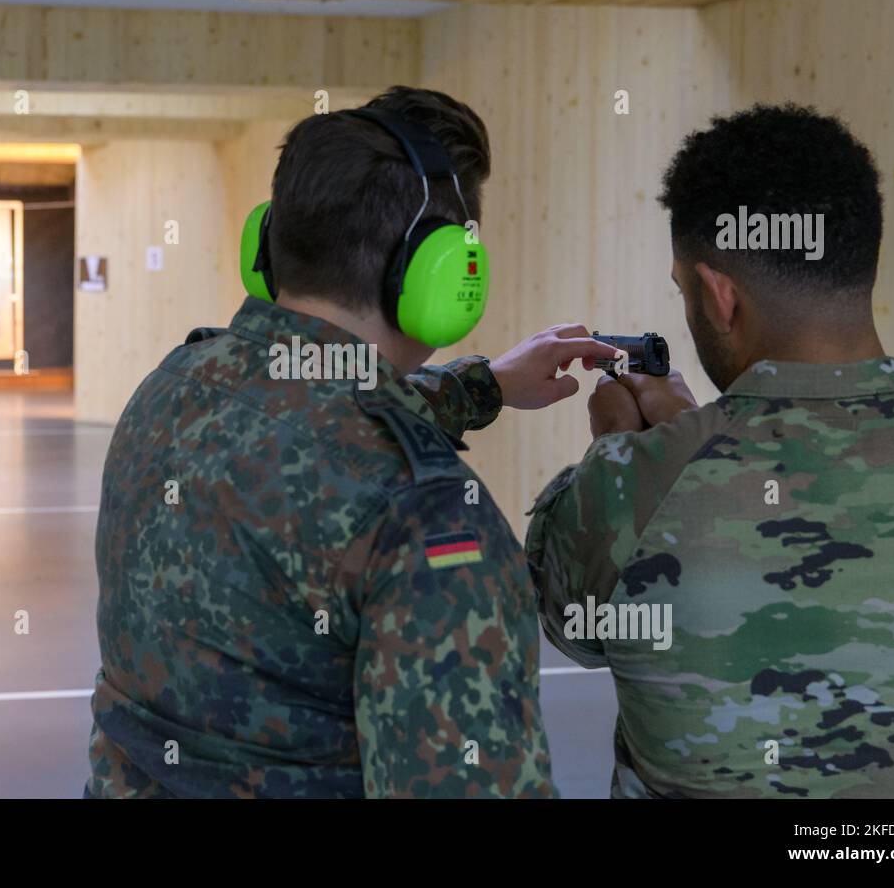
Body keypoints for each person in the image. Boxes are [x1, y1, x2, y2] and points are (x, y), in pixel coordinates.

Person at [85, 85, 617, 798]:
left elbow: (307, 417)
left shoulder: (177, 387)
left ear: (268, 244)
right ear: (438, 276)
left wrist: (484, 384)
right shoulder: (427, 520)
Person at [527, 103, 894, 798]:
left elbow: (574, 633)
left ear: (719, 295)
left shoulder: (625, 490)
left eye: (685, 290)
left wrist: (629, 455)